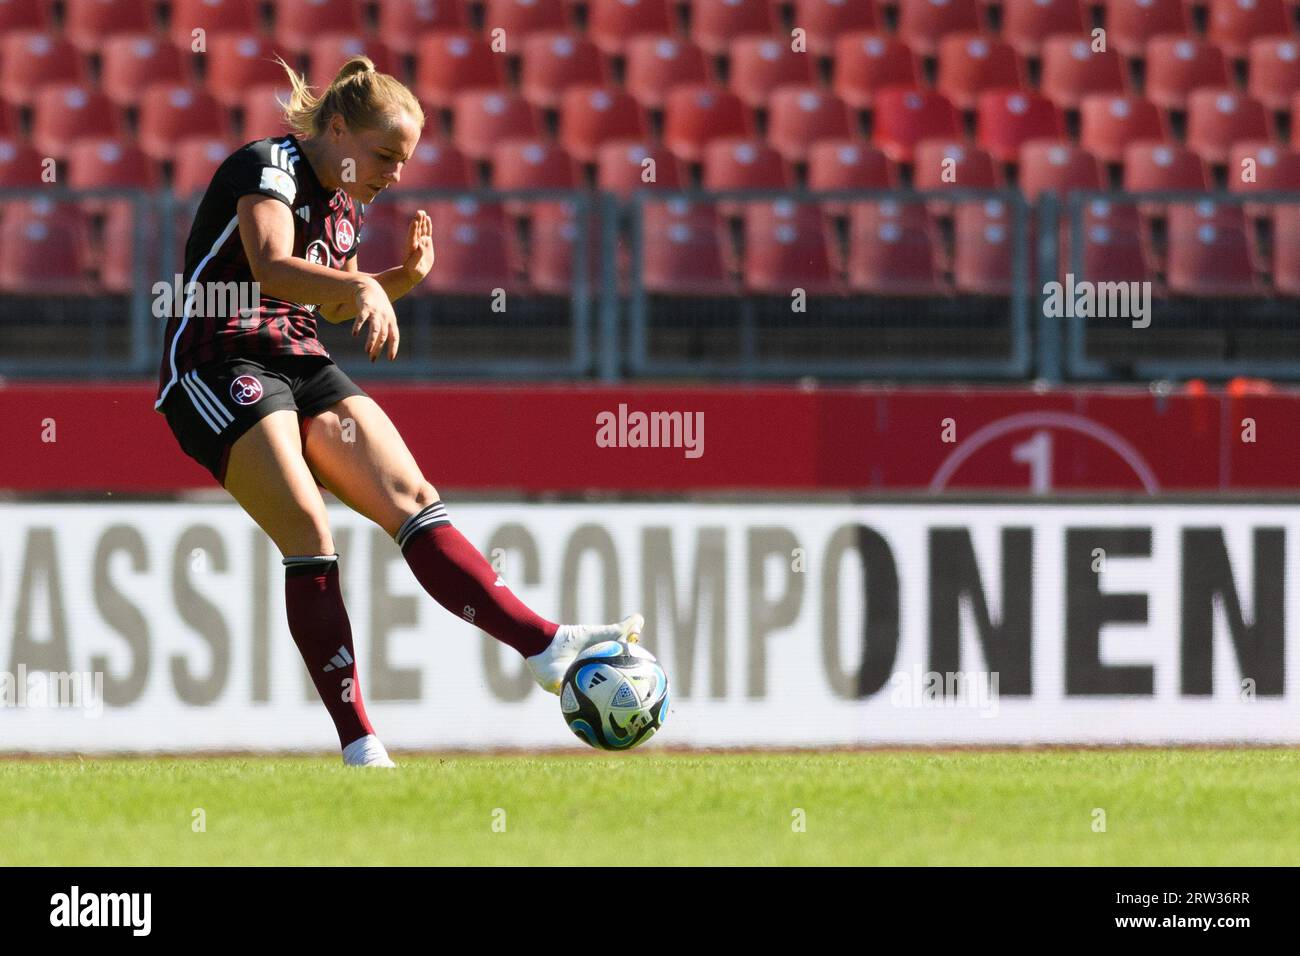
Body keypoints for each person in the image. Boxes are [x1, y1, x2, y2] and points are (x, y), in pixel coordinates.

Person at [153, 56, 641, 767]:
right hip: (215, 360)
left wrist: (394, 281)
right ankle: (360, 744)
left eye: (404, 161)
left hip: (295, 356)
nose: (395, 174)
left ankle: (542, 643)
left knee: (413, 500)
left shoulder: (347, 201)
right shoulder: (270, 168)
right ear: (341, 130)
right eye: (385, 155)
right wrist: (369, 290)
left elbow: (324, 294)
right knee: (308, 526)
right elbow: (271, 265)